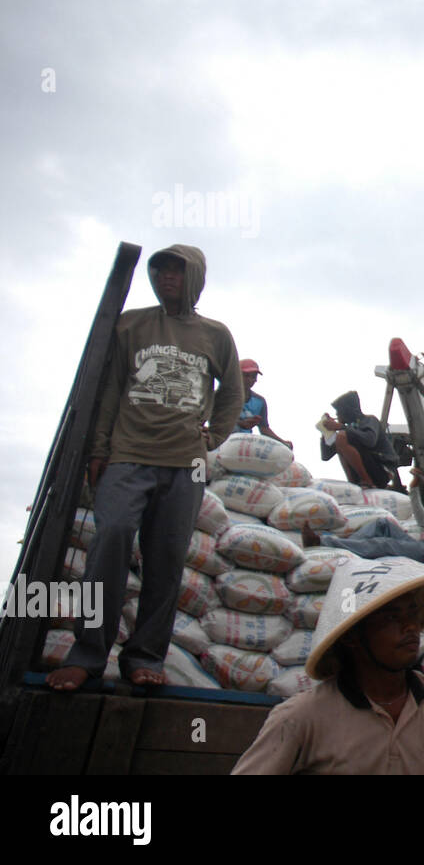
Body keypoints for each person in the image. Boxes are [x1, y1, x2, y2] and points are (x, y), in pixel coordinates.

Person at [47, 244, 242, 692]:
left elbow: (231, 393)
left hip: (186, 464)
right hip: (128, 454)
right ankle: (88, 654)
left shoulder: (216, 335)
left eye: (177, 270)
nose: (166, 277)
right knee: (110, 539)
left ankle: (144, 656)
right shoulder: (132, 323)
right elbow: (111, 388)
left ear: (194, 276)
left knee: (167, 559)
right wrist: (100, 448)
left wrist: (211, 438)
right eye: (160, 271)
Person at [231, 555, 424, 774]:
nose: (411, 627)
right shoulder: (300, 716)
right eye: (392, 617)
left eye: (412, 614)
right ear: (352, 636)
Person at [302, 462, 424, 572]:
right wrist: (414, 488)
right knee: (383, 524)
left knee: (384, 544)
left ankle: (323, 542)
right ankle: (345, 550)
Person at [320, 390, 399, 490]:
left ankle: (367, 481)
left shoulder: (369, 420)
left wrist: (341, 427)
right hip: (367, 471)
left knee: (341, 437)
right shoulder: (348, 429)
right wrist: (325, 432)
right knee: (339, 440)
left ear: (347, 411)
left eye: (339, 412)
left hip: (381, 471)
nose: (337, 415)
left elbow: (370, 441)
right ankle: (354, 483)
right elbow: (325, 456)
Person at [232, 359, 293, 449]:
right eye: (246, 375)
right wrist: (240, 424)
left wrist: (282, 442)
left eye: (253, 376)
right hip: (225, 442)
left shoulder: (259, 401)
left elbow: (264, 428)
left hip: (245, 445)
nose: (250, 379)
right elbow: (218, 422)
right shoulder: (224, 396)